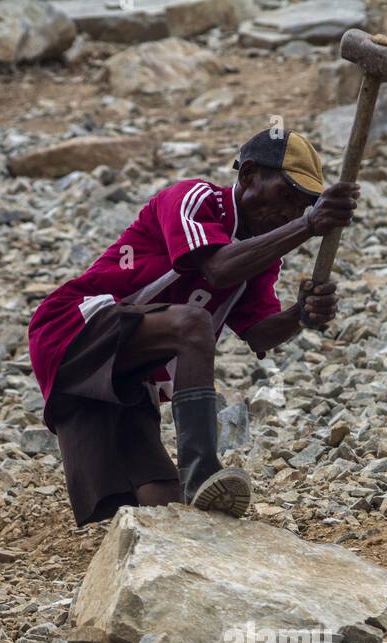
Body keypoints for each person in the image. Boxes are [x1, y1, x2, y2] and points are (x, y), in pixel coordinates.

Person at [28, 128, 359, 525]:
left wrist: (301, 314)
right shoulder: (195, 198)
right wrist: (308, 225)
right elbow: (217, 269)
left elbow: (260, 333)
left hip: (128, 371)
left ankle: (182, 506)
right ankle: (202, 470)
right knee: (193, 323)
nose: (289, 213)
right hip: (73, 329)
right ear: (249, 173)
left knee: (168, 510)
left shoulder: (260, 256)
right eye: (286, 197)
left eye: (301, 205)